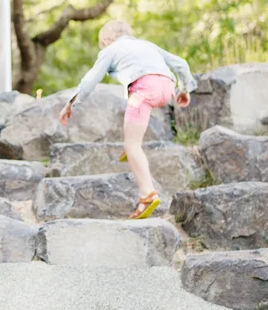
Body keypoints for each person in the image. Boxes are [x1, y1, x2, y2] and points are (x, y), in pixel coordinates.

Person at [58, 20, 196, 219]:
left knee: (133, 144)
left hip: (144, 89)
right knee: (133, 109)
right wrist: (185, 89)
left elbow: (90, 80)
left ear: (105, 40)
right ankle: (130, 148)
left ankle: (147, 194)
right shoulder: (148, 45)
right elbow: (181, 64)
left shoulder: (111, 49)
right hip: (167, 87)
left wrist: (72, 102)